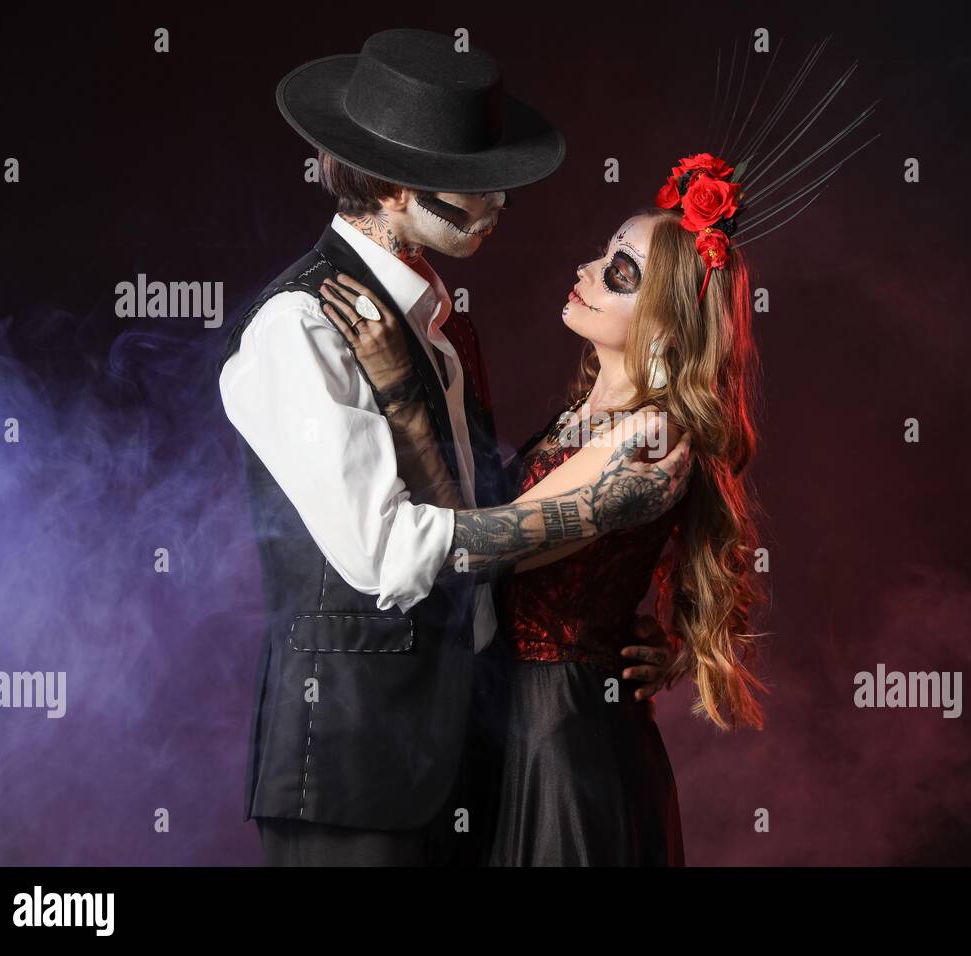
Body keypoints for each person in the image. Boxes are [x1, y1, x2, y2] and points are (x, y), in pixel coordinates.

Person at [217, 28, 691, 867]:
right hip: (353, 766)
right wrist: (596, 508)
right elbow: (390, 554)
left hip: (477, 751)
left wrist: (629, 626)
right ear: (400, 189)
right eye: (476, 187)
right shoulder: (300, 326)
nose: (499, 206)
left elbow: (481, 517)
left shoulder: (437, 330)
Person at [322, 150, 770, 864]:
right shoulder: (585, 417)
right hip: (527, 718)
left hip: (562, 737)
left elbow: (484, 549)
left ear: (666, 326)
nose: (587, 273)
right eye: (601, 255)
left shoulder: (646, 435)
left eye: (620, 271)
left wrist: (402, 396)